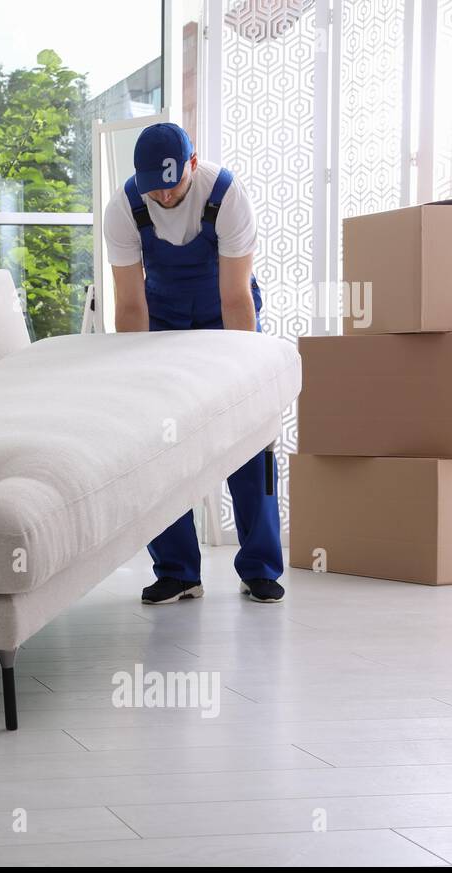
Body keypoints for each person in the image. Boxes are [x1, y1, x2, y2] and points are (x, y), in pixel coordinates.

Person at [103, 122, 284, 606]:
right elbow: (130, 304)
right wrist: (136, 378)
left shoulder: (226, 196)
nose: (163, 196)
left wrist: (245, 378)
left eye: (173, 183)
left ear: (193, 164)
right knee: (160, 443)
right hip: (161, 319)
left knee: (250, 439)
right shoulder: (123, 208)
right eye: (154, 187)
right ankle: (178, 572)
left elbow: (235, 297)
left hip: (225, 314)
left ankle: (260, 568)